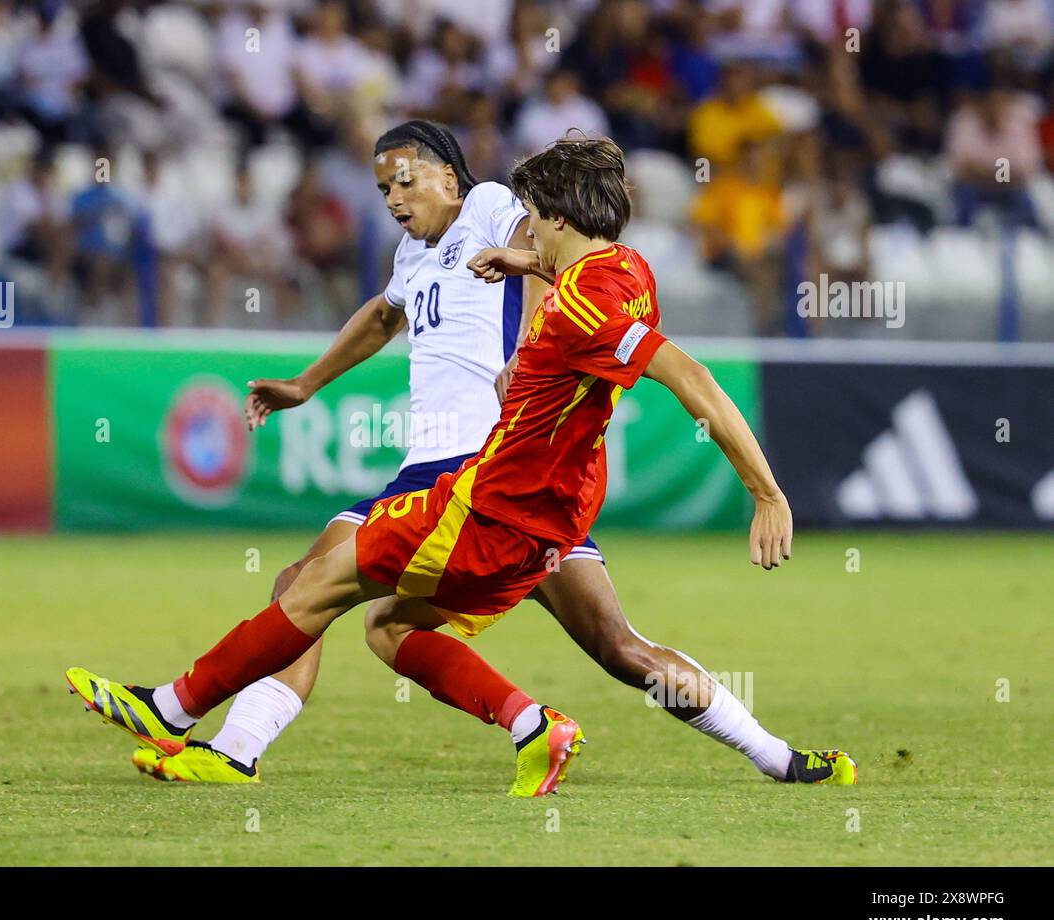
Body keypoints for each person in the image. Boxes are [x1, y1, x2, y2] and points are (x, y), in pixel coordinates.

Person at [66, 132, 856, 794]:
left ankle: (191, 720)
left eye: (404, 179)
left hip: (477, 480)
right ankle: (772, 758)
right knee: (596, 646)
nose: (394, 198)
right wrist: (311, 382)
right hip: (549, 498)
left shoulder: (494, 214)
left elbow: (678, 371)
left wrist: (766, 492)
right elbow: (398, 311)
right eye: (382, 189)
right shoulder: (615, 270)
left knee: (311, 588)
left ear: (460, 179)